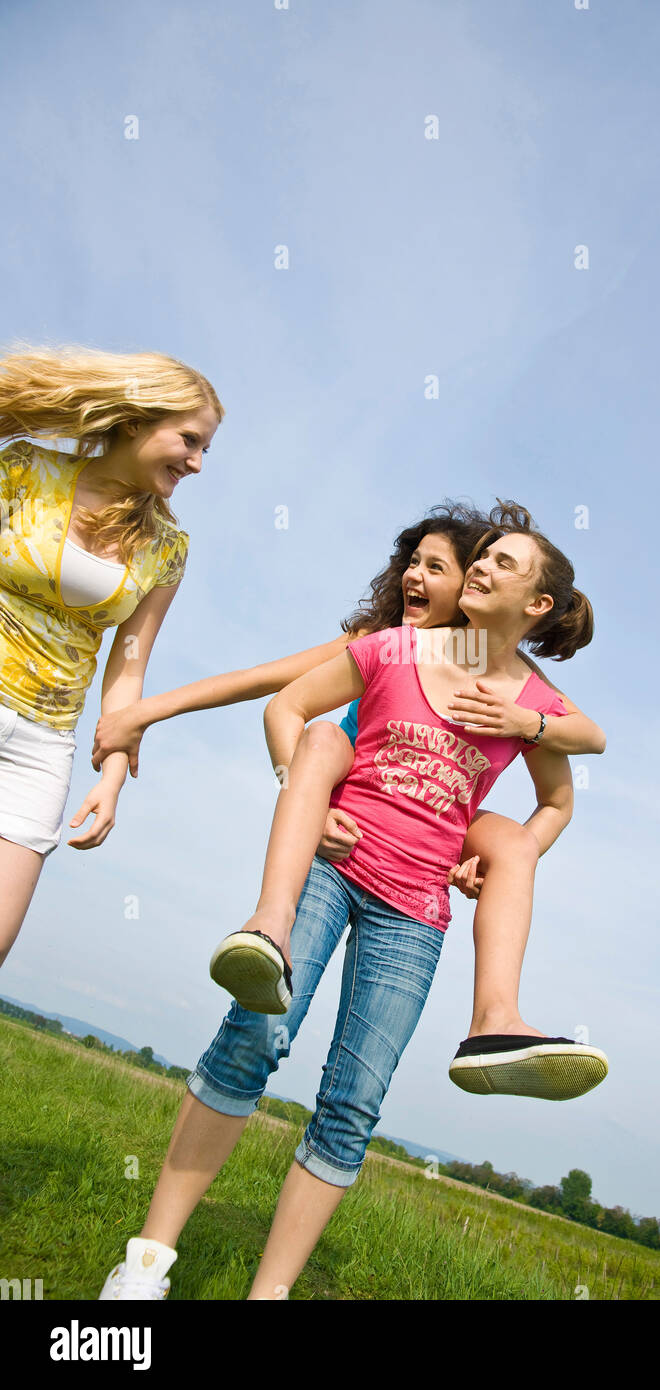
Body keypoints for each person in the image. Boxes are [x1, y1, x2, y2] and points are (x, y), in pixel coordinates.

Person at [99, 508, 608, 1301]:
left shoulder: (537, 704)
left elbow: (559, 798)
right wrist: (160, 721)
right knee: (251, 1041)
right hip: (336, 866)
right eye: (478, 560)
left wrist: (499, 857)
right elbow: (285, 704)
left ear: (537, 606)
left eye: (501, 564)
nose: (479, 570)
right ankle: (144, 1266)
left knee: (352, 1106)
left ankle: (495, 1023)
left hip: (416, 908)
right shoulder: (392, 649)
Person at [0, 344, 221, 967]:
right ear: (135, 420)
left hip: (42, 742)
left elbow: (129, 666)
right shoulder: (23, 470)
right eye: (189, 440)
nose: (198, 463)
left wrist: (113, 775)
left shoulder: (167, 548)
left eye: (206, 449)